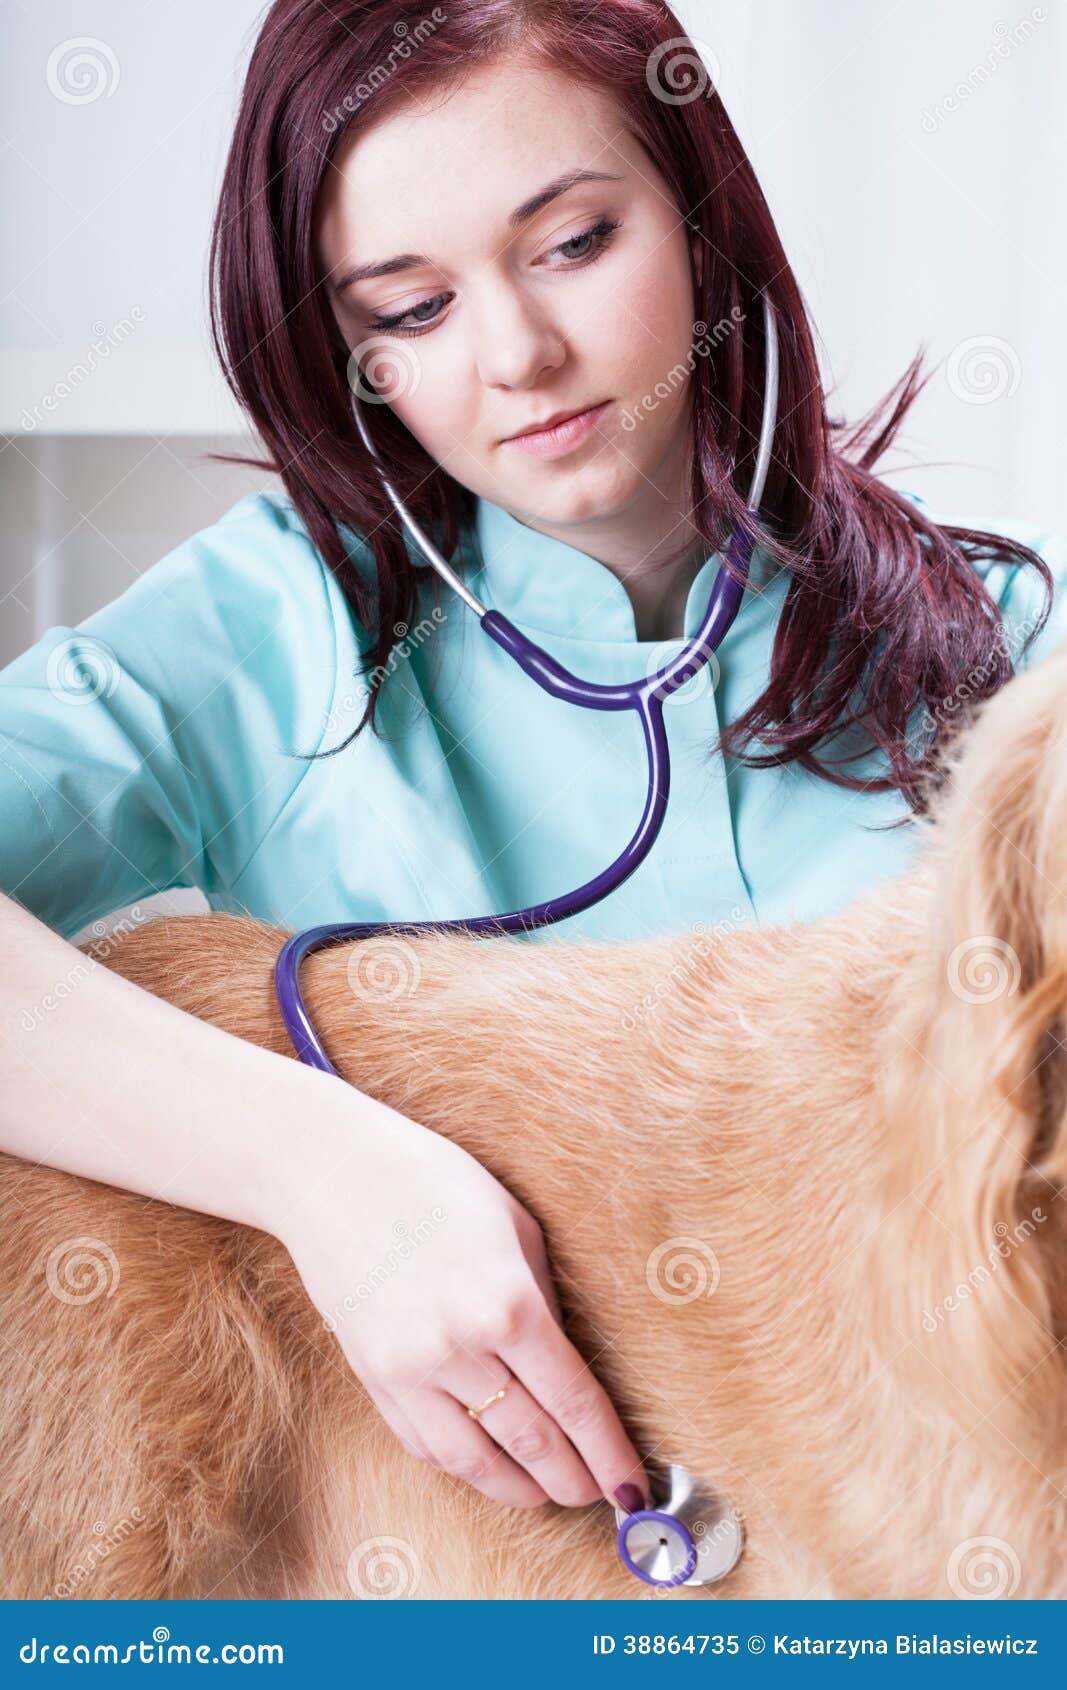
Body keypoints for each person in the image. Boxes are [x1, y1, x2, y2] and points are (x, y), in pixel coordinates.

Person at [2, 0, 1065, 1534]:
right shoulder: (271, 632)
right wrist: (320, 1170)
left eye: (574, 242)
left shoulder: (1018, 648)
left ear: (703, 217)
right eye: (412, 308)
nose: (518, 355)